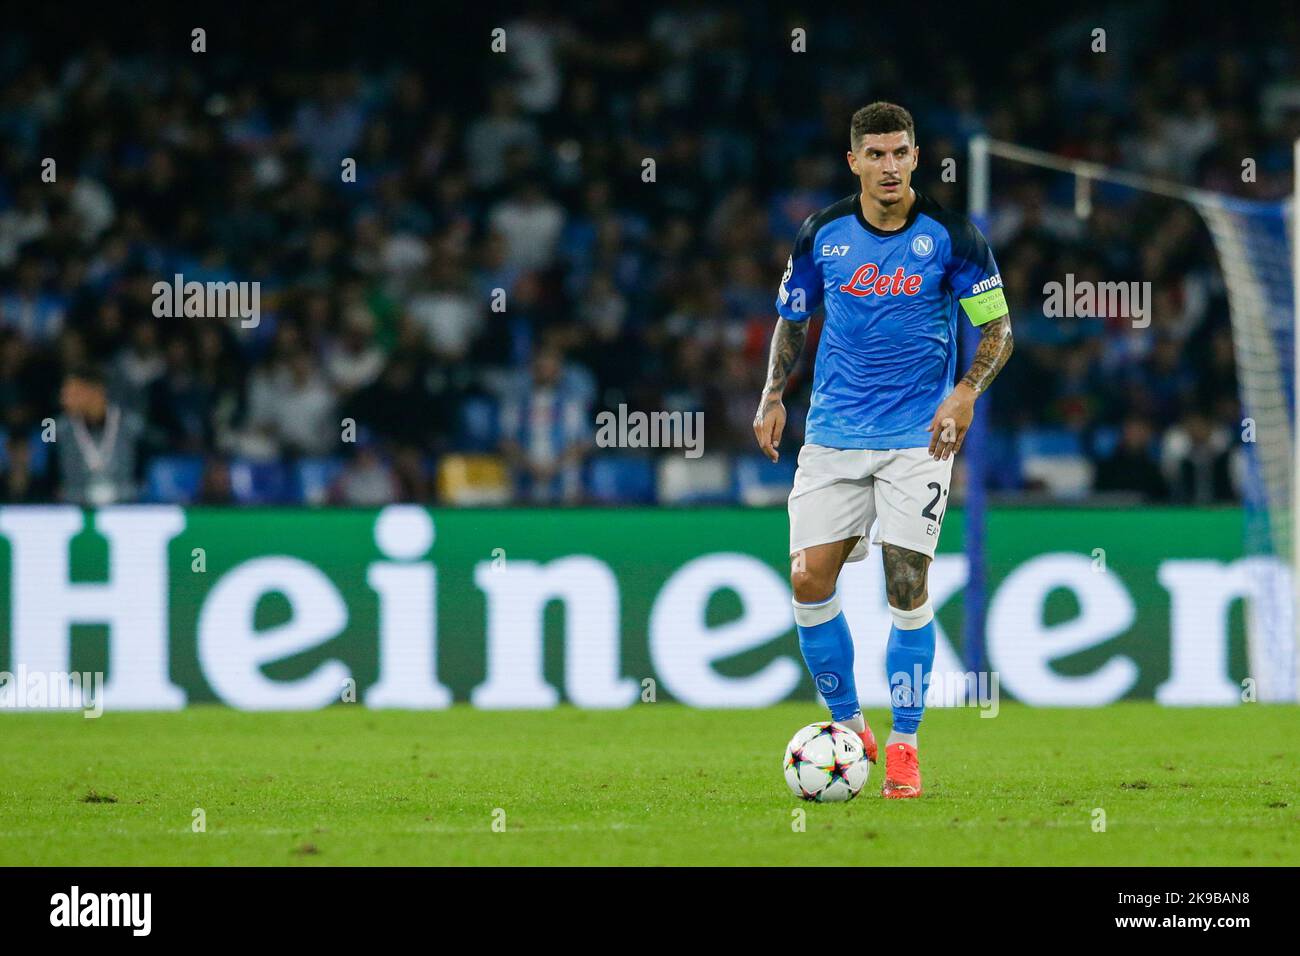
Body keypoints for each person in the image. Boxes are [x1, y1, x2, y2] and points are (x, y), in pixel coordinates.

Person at [753, 103, 1014, 798]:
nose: (890, 166)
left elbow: (999, 332)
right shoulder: (823, 234)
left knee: (906, 584)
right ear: (854, 163)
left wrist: (964, 392)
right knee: (809, 580)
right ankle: (848, 727)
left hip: (915, 440)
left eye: (900, 153)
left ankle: (903, 742)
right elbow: (792, 320)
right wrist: (773, 396)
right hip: (834, 434)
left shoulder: (952, 238)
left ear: (916, 157)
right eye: (876, 155)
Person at [52, 364, 145, 505]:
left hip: (126, 512)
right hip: (74, 510)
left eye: (72, 393)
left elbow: (145, 470)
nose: (64, 400)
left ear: (96, 391)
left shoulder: (131, 425)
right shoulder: (56, 429)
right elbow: (51, 476)